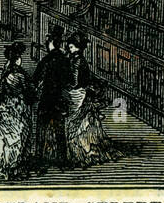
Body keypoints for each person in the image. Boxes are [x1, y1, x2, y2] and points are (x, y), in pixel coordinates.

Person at [63, 33, 120, 167]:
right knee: (84, 123)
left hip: (78, 94)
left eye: (71, 47)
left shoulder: (77, 61)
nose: (69, 49)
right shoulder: (77, 59)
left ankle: (81, 152)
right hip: (80, 92)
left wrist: (66, 86)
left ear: (77, 48)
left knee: (76, 124)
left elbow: (75, 81)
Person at [0, 41, 35, 180]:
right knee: (17, 138)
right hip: (16, 110)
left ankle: (0, 165)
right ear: (17, 58)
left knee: (4, 139)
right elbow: (29, 94)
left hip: (3, 109)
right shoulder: (18, 75)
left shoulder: (6, 72)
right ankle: (12, 168)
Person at [31, 25, 72, 169]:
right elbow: (69, 81)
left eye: (47, 43)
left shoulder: (46, 60)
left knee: (41, 129)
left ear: (51, 43)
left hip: (47, 99)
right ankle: (63, 160)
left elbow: (35, 79)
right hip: (59, 99)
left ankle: (39, 159)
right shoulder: (65, 60)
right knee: (59, 130)